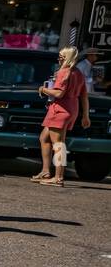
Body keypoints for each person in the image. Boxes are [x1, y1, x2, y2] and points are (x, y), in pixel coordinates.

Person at [35, 46, 89, 187]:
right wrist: (85, 116)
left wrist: (43, 89)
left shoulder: (64, 72)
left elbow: (59, 94)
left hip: (60, 109)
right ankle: (46, 171)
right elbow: (84, 96)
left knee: (58, 144)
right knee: (44, 137)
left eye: (61, 56)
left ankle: (58, 177)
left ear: (67, 58)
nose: (58, 58)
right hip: (72, 109)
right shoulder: (78, 73)